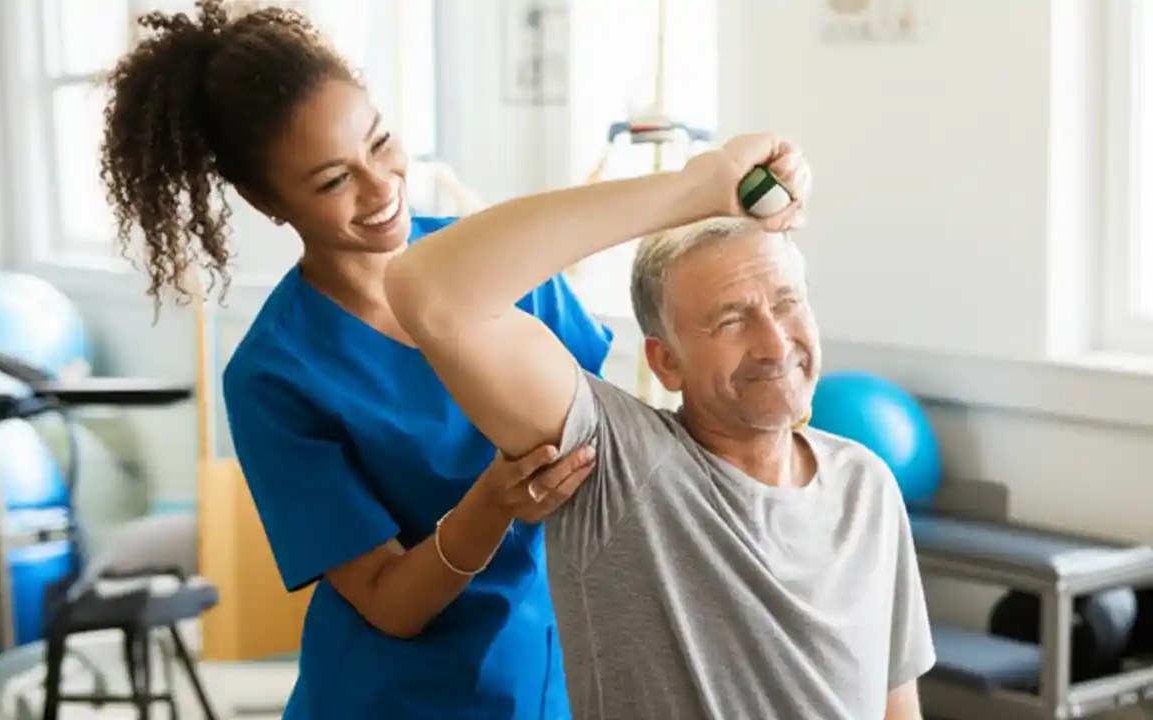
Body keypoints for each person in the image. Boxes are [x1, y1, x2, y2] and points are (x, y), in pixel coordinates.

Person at [97, 2, 612, 718]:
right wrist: (492, 501)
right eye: (334, 180)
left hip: (555, 683)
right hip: (393, 699)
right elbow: (388, 603)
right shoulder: (276, 376)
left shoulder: (507, 266)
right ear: (266, 200)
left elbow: (612, 462)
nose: (380, 187)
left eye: (381, 143)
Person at [384, 133, 937, 719]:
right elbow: (428, 289)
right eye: (731, 320)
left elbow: (893, 703)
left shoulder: (866, 485)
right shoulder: (622, 467)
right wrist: (693, 189)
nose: (774, 344)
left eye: (785, 303)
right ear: (665, 361)